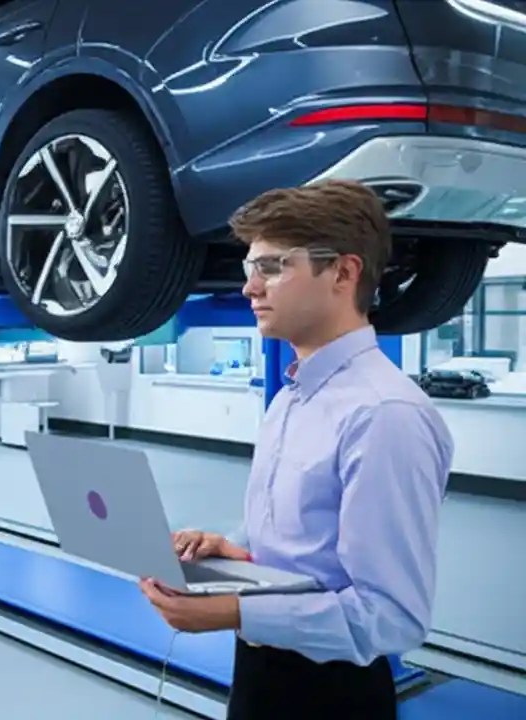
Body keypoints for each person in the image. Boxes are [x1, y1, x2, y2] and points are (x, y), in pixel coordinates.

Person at [139, 180, 454, 720]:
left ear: (343, 273)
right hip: (261, 670)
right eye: (250, 268)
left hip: (331, 694)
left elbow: (390, 618)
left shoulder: (384, 415)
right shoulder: (291, 397)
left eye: (272, 267)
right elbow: (304, 538)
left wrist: (234, 612)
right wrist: (235, 549)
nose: (249, 288)